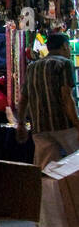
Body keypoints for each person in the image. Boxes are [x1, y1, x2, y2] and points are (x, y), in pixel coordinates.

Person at [16, 32, 79, 167]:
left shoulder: (32, 67)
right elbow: (67, 97)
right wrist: (77, 123)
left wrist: (20, 123)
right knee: (76, 162)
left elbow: (23, 99)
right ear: (65, 46)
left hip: (40, 127)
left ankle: (48, 189)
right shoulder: (64, 63)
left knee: (46, 170)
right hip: (63, 124)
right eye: (68, 47)